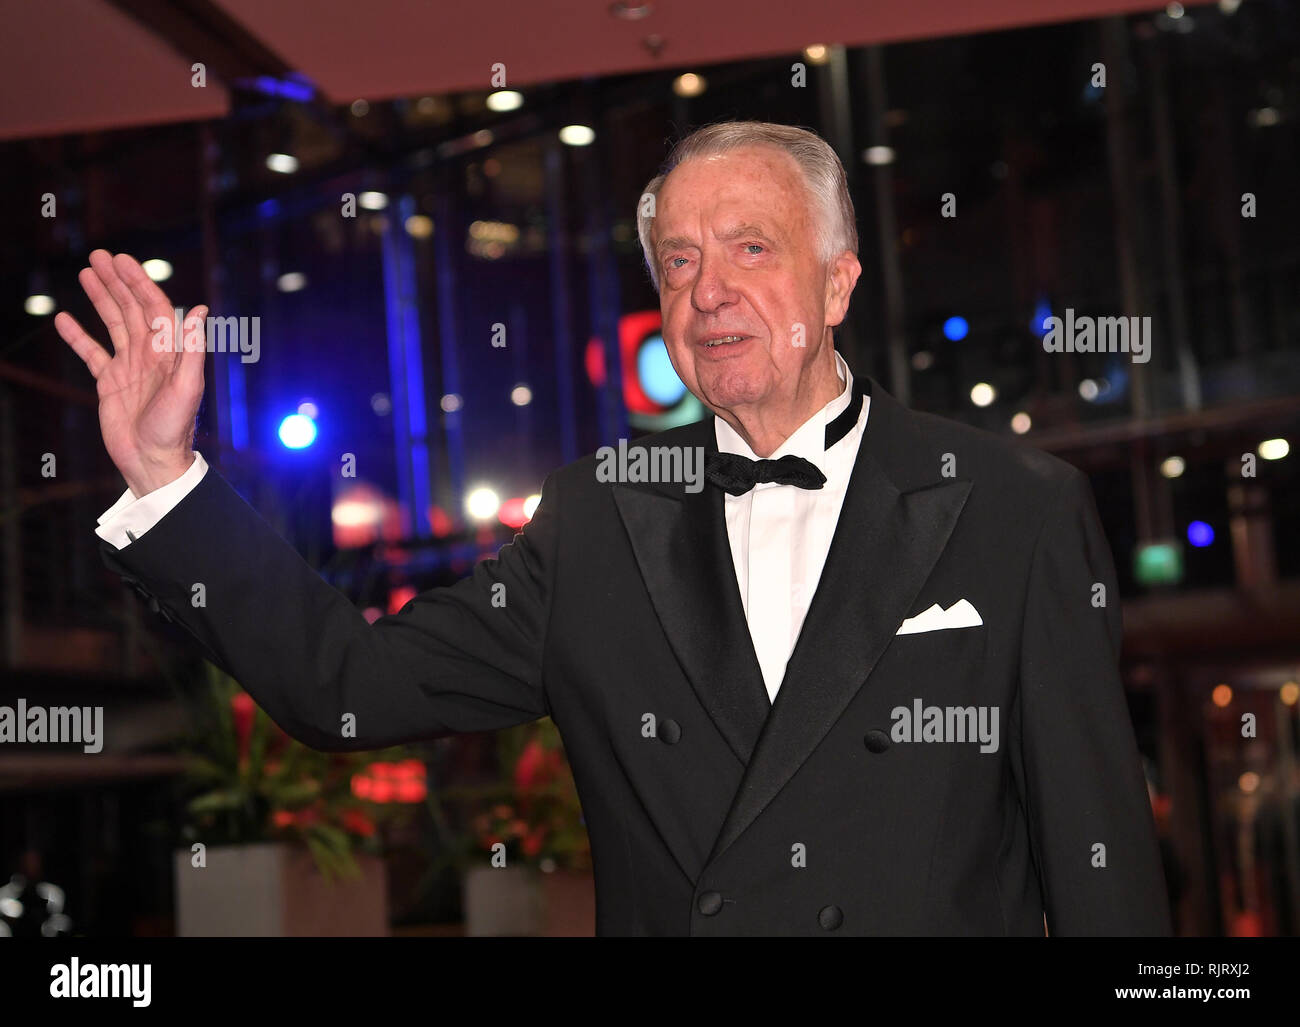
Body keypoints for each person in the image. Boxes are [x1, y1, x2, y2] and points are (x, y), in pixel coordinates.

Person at [56, 120, 1171, 936]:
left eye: (749, 248)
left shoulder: (1013, 504)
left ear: (836, 285)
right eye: (677, 261)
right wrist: (166, 476)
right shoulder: (598, 516)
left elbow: (1099, 856)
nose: (706, 291)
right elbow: (349, 684)